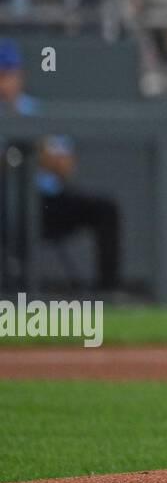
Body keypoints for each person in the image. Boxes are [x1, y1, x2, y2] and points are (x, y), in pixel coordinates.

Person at [0, 39, 122, 293]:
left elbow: (66, 167)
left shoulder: (34, 111)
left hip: (44, 202)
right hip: (4, 205)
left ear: (19, 76)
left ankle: (108, 295)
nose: (3, 83)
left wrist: (37, 151)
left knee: (105, 209)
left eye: (7, 74)